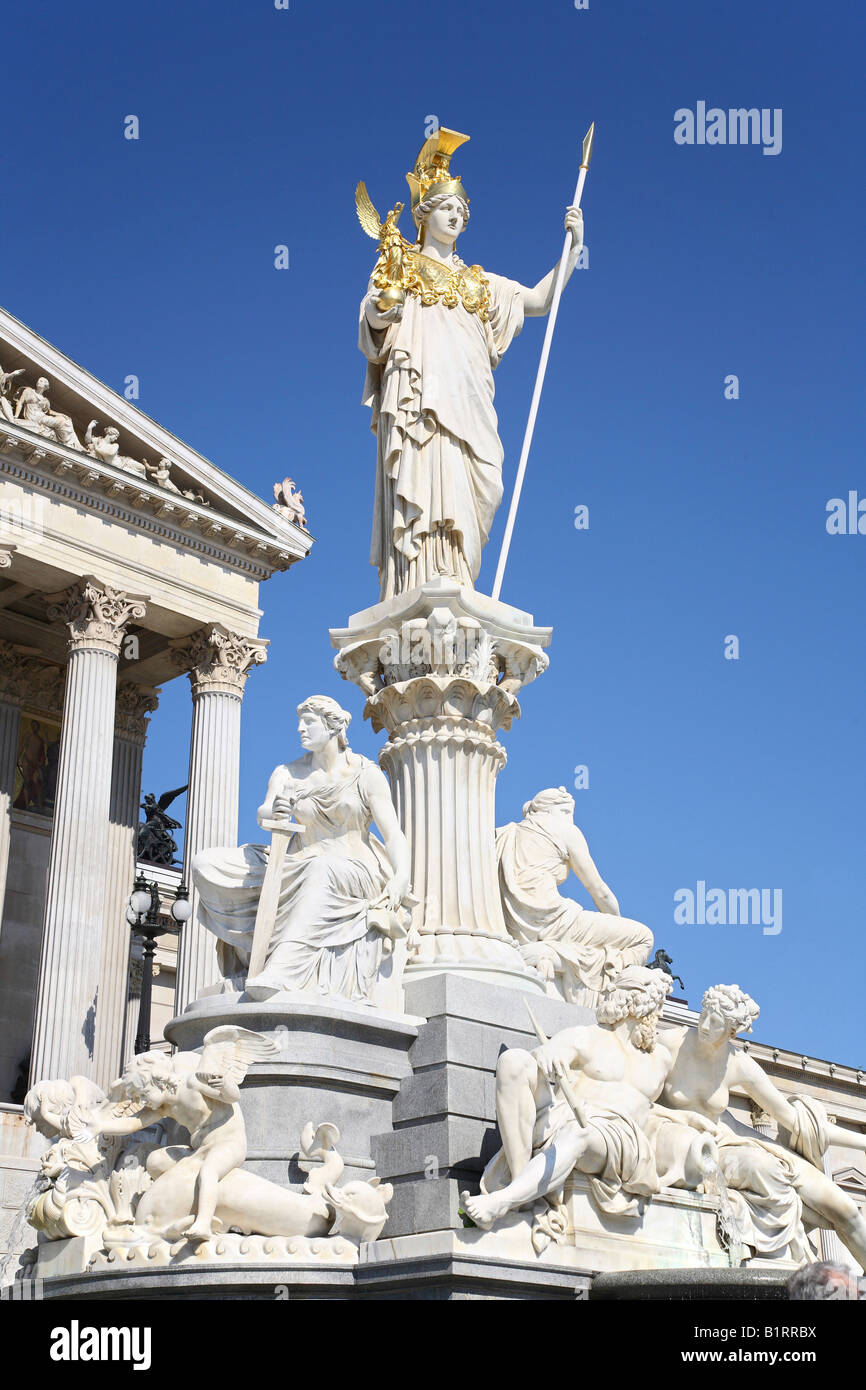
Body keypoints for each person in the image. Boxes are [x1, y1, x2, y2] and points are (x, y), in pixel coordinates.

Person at [359, 127, 584, 599]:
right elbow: (374, 320)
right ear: (424, 214)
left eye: (462, 210)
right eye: (447, 207)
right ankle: (418, 580)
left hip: (470, 400)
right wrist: (382, 311)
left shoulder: (482, 284)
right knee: (424, 471)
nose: (456, 215)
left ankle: (459, 576)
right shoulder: (402, 268)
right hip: (420, 400)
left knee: (479, 481)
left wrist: (572, 249)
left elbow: (540, 300)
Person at [193, 695, 412, 1002]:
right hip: (294, 858)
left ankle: (284, 970)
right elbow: (264, 812)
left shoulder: (365, 774)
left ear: (333, 727)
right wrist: (276, 810)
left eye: (308, 722)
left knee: (321, 868)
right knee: (206, 862)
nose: (299, 729)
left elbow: (393, 834)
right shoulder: (287, 772)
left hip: (351, 866)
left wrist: (401, 875)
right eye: (299, 722)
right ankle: (255, 951)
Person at [656, 983, 866, 1267]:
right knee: (763, 1169)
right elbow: (636, 1098)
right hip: (700, 1147)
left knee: (847, 1210)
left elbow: (795, 1121)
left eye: (715, 1022)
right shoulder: (670, 1043)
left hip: (737, 1138)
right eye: (703, 1014)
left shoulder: (738, 1063)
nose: (704, 1025)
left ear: (732, 1031)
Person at [461, 967, 673, 1230]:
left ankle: (503, 1200)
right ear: (639, 1004)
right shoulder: (587, 1037)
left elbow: (670, 1109)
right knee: (514, 1061)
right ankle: (522, 1191)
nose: (661, 1015)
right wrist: (548, 1055)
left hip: (620, 1139)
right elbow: (548, 1052)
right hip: (569, 1116)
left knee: (579, 1132)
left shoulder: (661, 1058)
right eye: (659, 1006)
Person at [496, 787, 653, 1005]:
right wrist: (616, 926)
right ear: (555, 810)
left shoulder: (505, 833)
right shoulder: (564, 829)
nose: (571, 819)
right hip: (556, 920)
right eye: (568, 812)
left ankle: (557, 955)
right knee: (642, 937)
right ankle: (558, 956)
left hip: (516, 927)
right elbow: (599, 891)